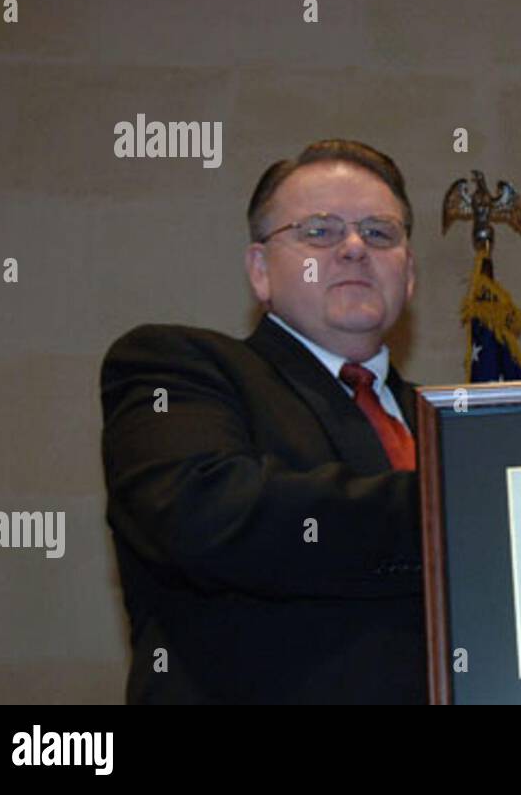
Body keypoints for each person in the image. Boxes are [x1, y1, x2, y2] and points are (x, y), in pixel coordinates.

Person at [100, 139, 426, 703]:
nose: (354, 248)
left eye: (379, 233)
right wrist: (461, 505)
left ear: (409, 273)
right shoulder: (176, 367)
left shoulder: (448, 420)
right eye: (319, 231)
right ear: (260, 270)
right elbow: (208, 516)